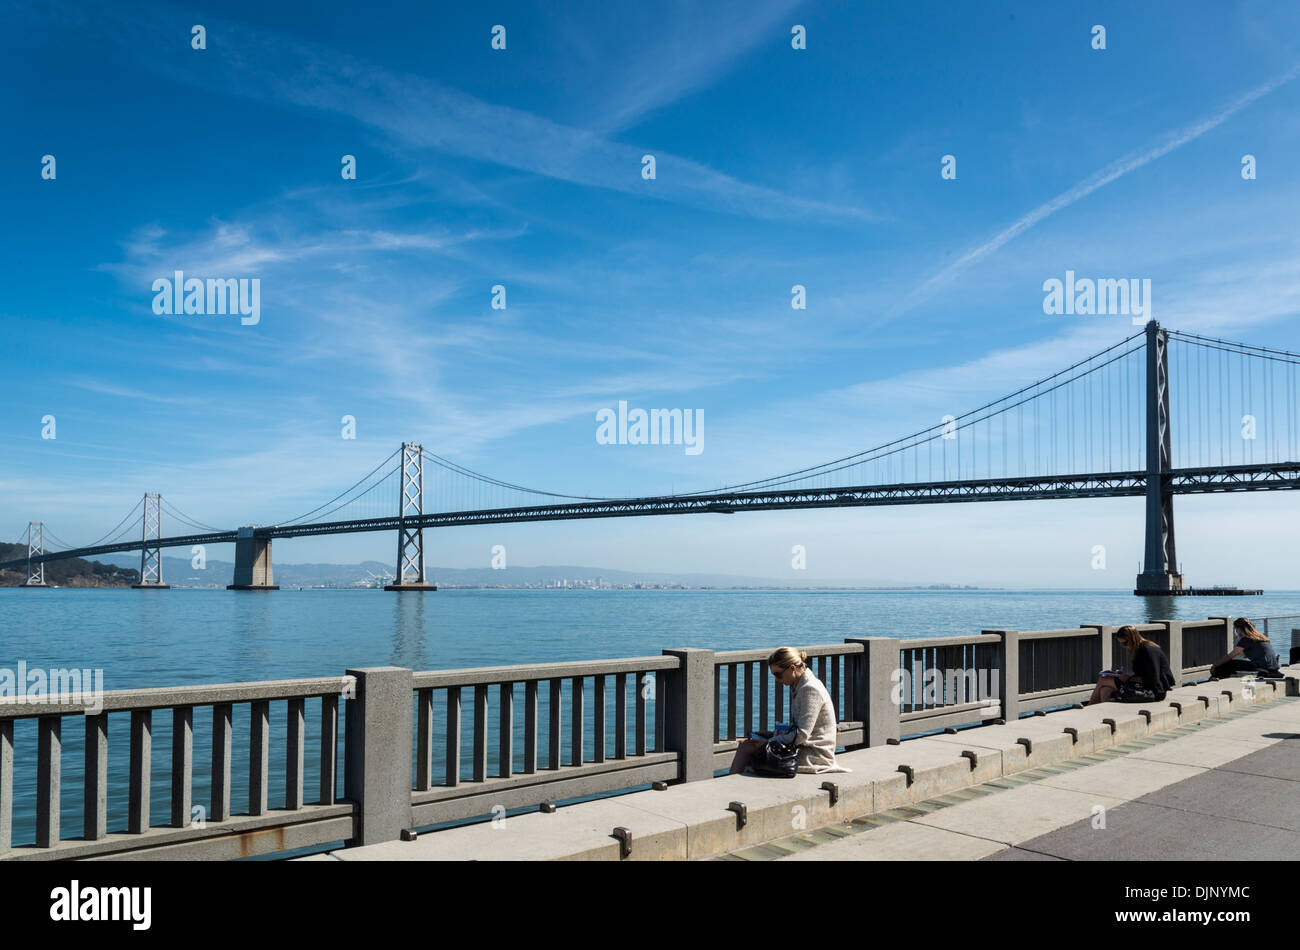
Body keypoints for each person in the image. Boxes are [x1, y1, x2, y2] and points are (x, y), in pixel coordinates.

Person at [729, 647, 849, 775]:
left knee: (748, 748)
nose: (776, 679)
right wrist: (771, 735)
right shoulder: (800, 685)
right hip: (806, 748)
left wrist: (770, 742)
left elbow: (802, 734)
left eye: (778, 674)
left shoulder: (810, 689)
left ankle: (729, 788)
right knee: (749, 745)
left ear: (792, 668)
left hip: (815, 756)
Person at [1086, 625, 1175, 705]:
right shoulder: (1144, 648)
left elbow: (1152, 679)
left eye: (1125, 643)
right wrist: (1122, 676)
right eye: (1122, 644)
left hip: (1153, 692)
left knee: (1103, 680)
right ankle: (1103, 713)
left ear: (1132, 638)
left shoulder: (1146, 651)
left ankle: (1088, 708)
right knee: (1105, 690)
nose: (1125, 646)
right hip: (1146, 688)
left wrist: (1126, 678)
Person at [1211, 618, 1282, 678]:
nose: (1236, 632)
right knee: (1232, 664)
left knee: (1228, 664)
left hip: (1262, 668)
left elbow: (1230, 656)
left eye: (1236, 630)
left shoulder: (1246, 639)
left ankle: (1216, 679)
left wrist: (1215, 665)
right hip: (1273, 668)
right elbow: (1247, 655)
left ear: (1239, 629)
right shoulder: (1261, 637)